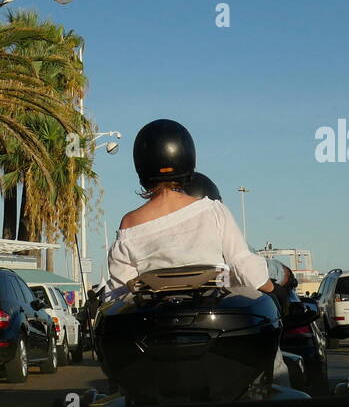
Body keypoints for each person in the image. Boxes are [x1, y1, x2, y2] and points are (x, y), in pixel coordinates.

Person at [106, 120, 275, 296]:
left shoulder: (129, 224)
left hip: (155, 320)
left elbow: (121, 290)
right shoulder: (212, 211)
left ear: (140, 164)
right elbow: (243, 265)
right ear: (187, 156)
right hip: (212, 316)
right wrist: (276, 291)